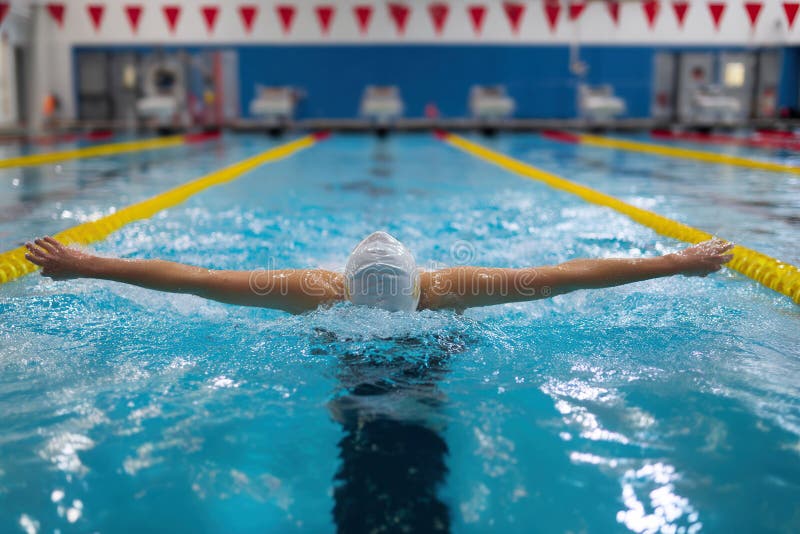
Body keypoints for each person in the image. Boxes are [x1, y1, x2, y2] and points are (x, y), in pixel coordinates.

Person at [23, 231, 734, 314]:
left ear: (346, 278)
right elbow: (572, 273)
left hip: (343, 355)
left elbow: (194, 277)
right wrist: (676, 263)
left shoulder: (317, 292)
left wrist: (90, 264)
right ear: (417, 278)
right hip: (433, 351)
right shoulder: (448, 290)